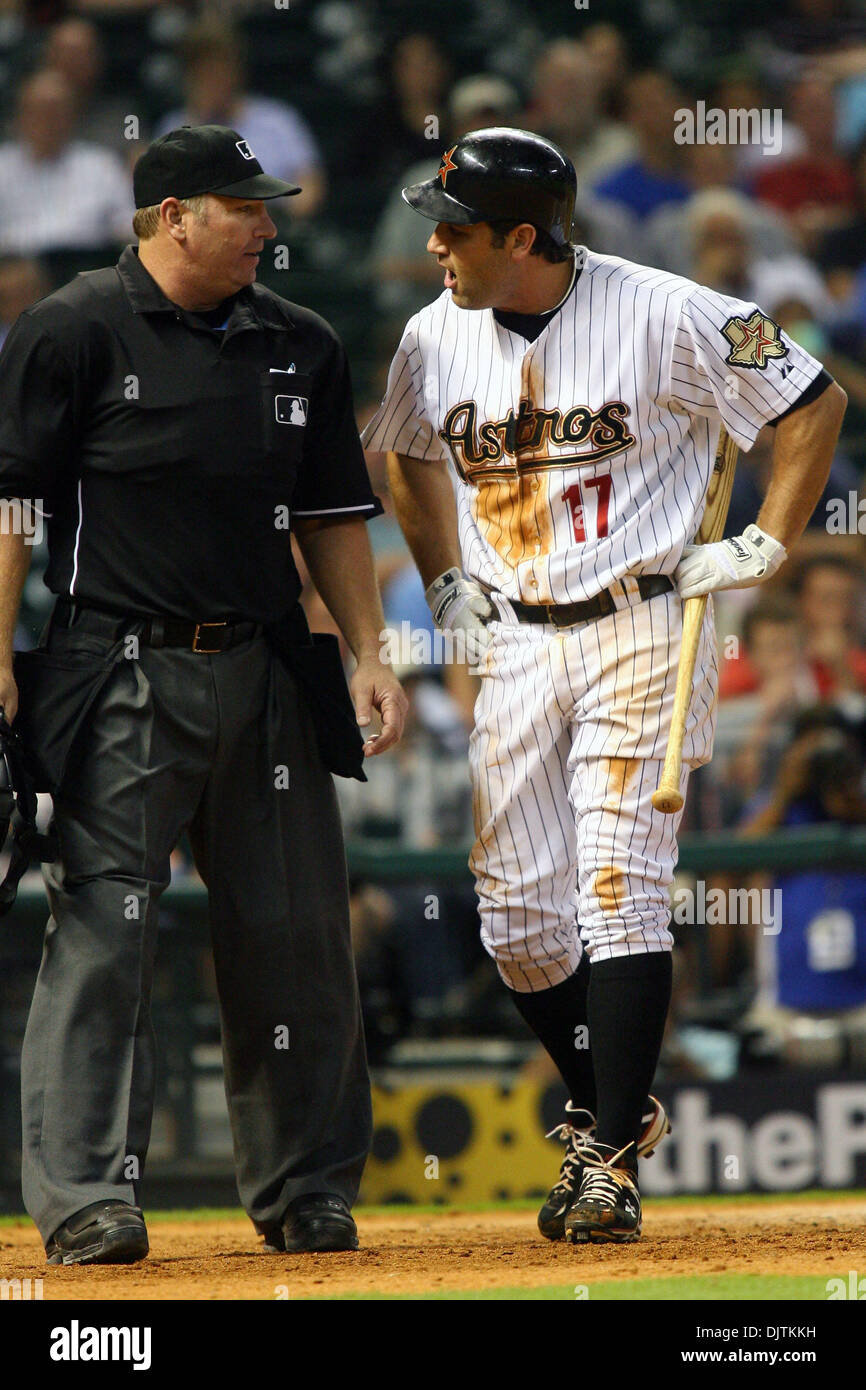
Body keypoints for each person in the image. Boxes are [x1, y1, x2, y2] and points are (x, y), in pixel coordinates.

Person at [362, 126, 847, 1244]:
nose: (433, 242)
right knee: (518, 923)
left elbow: (809, 399)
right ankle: (607, 1103)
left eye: (457, 227)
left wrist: (765, 543)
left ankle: (605, 1159)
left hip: (641, 621)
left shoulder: (664, 310)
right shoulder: (434, 335)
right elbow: (400, 447)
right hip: (515, 643)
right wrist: (440, 575)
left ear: (522, 236)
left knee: (620, 886)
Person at [0, 124, 406, 1265]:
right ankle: (88, 1198)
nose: (268, 229)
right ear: (172, 215)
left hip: (269, 667)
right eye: (244, 210)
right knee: (102, 934)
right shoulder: (73, 326)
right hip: (116, 666)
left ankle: (307, 1189)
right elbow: (11, 507)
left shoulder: (302, 342)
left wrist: (367, 650)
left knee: (293, 938)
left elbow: (331, 514)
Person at [0, 69, 132, 257]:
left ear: (72, 115)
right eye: (39, 111)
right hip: (14, 270)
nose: (47, 121)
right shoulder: (2, 168)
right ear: (21, 115)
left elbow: (127, 228)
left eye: (56, 111)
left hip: (86, 269)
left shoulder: (102, 166)